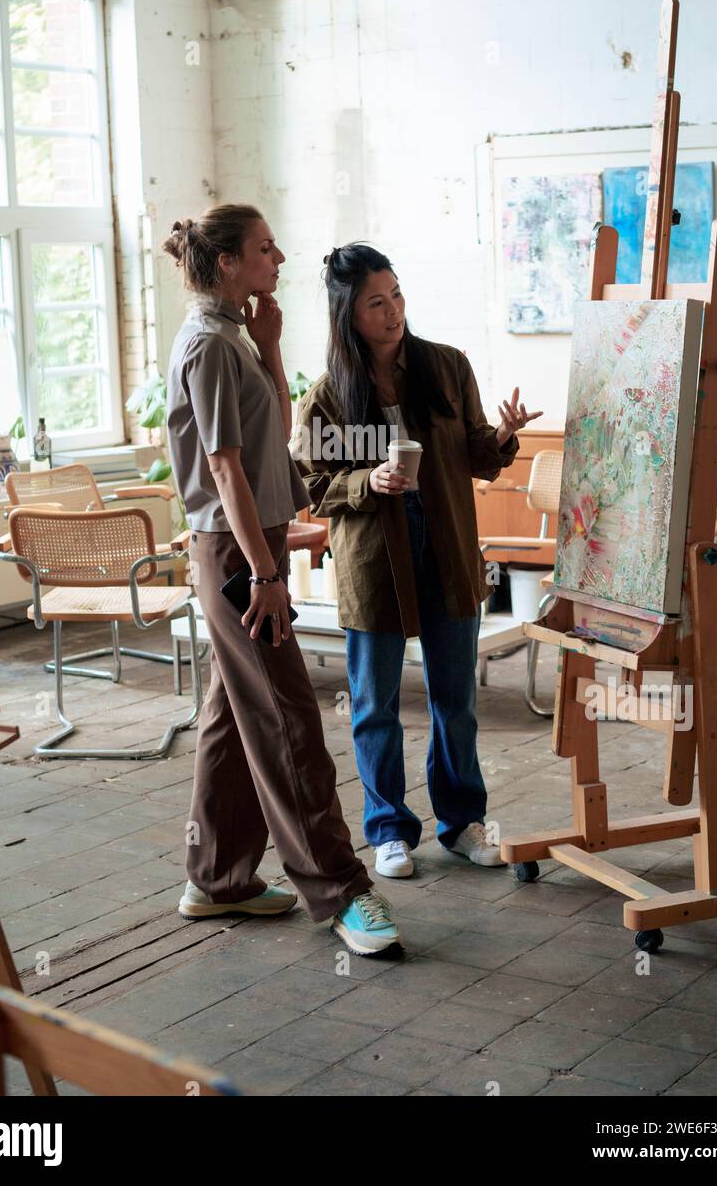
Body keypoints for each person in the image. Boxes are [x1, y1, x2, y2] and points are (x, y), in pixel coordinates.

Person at [164, 208, 400, 955]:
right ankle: (340, 890)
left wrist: (269, 345)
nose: (281, 256)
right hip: (238, 555)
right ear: (228, 262)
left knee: (233, 716)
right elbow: (225, 466)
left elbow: (272, 432)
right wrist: (265, 571)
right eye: (265, 248)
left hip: (248, 546)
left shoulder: (233, 335)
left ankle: (217, 878)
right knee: (289, 719)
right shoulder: (205, 345)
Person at [294, 243, 542, 880]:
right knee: (375, 704)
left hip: (450, 553)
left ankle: (461, 822)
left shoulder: (447, 367)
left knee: (453, 700)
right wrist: (365, 483)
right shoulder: (327, 396)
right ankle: (388, 830)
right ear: (348, 312)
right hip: (374, 564)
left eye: (397, 295)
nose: (393, 311)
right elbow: (316, 489)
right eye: (377, 302)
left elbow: (477, 454)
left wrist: (505, 438)